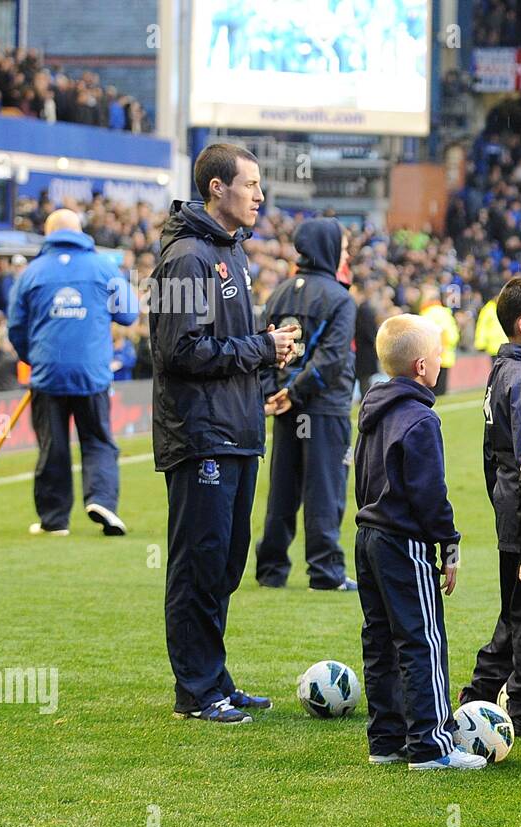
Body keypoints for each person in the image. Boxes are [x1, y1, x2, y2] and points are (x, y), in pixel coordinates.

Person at [151, 142, 300, 725]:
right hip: (201, 435)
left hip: (237, 429)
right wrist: (259, 347)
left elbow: (224, 349)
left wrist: (269, 361)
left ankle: (215, 676)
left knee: (227, 561)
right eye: (251, 184)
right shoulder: (186, 257)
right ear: (218, 188)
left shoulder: (232, 253)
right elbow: (178, 350)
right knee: (199, 562)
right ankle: (195, 691)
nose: (260, 196)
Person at [354, 314, 486, 771]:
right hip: (402, 542)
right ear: (422, 366)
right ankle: (431, 746)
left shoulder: (372, 408)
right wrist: (448, 545)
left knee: (380, 639)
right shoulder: (421, 419)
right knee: (422, 639)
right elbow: (430, 495)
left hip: (366, 536)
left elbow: (361, 477)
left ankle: (387, 740)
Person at [7, 208, 138, 537]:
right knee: (98, 441)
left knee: (53, 446)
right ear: (79, 231)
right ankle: (102, 500)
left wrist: (33, 358)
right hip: (91, 374)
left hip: (47, 374)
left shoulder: (31, 273)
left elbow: (16, 328)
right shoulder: (103, 268)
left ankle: (54, 520)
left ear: (49, 233)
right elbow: (128, 314)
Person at [458, 274, 521, 735]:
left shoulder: (501, 369)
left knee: (517, 611)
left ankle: (481, 690)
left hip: (508, 507)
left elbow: (493, 457)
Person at [255, 217, 358, 592]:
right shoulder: (339, 298)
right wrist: (296, 392)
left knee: (282, 489)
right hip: (323, 408)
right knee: (325, 490)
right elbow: (331, 360)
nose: (346, 253)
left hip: (285, 409)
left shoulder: (279, 293)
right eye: (343, 247)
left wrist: (275, 393)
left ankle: (271, 569)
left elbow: (263, 349)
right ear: (329, 249)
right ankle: (325, 572)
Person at [419, 285, 458, 395]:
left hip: (435, 354)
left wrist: (439, 351)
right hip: (445, 353)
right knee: (441, 390)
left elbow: (439, 332)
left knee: (434, 391)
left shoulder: (430, 312)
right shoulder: (443, 311)